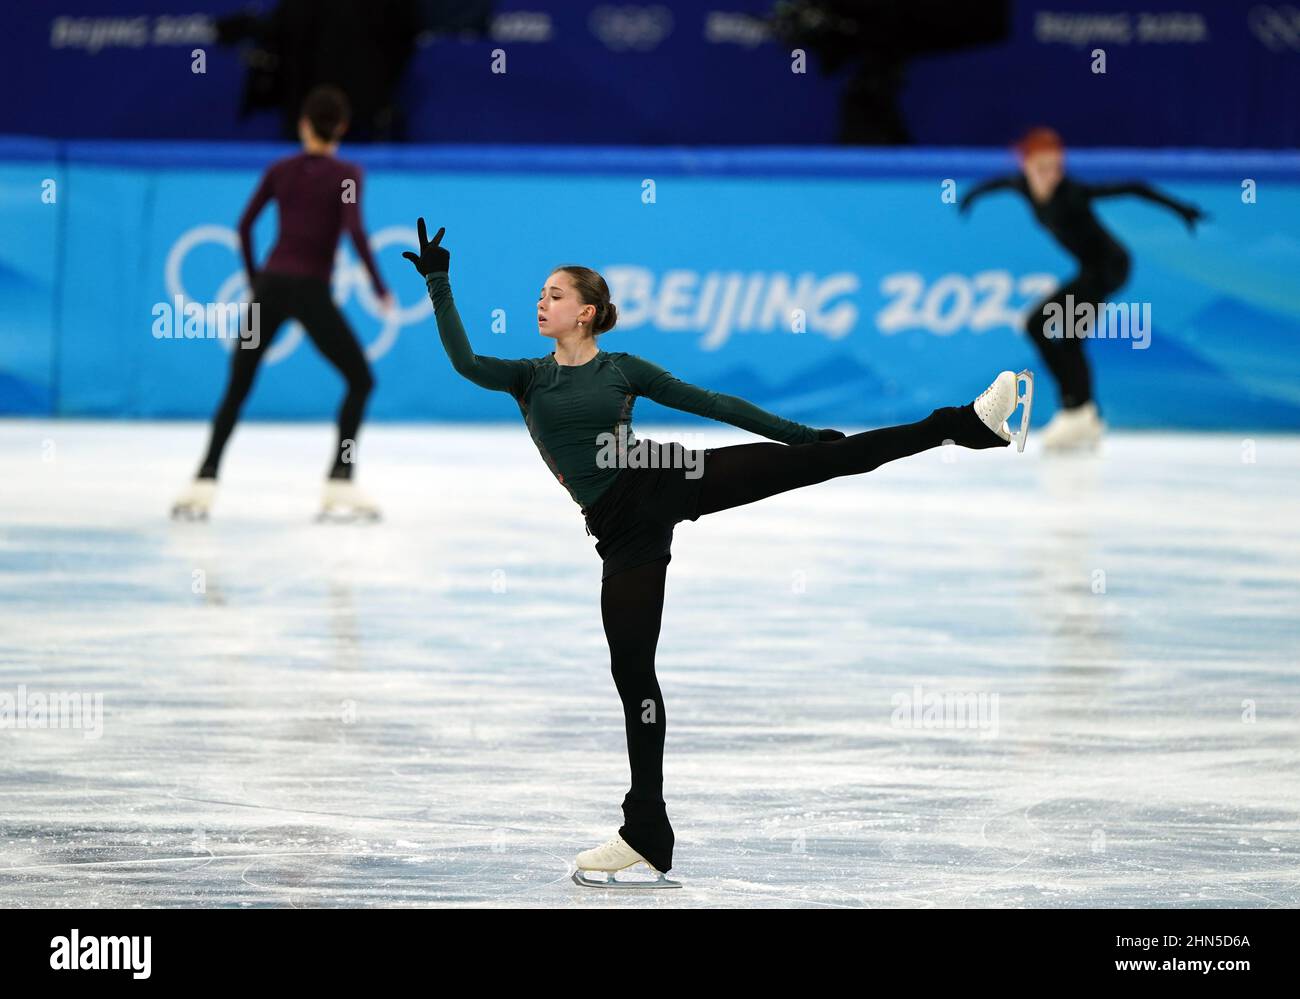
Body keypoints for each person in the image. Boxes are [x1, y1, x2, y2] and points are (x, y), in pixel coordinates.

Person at [403, 219, 1032, 887]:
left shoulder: (623, 369)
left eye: (554, 295)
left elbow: (710, 402)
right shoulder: (527, 377)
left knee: (832, 459)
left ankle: (966, 424)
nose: (541, 302)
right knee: (632, 674)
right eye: (541, 293)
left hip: (663, 477)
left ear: (586, 312)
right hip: (621, 532)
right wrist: (439, 281)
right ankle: (646, 830)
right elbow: (465, 362)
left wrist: (795, 437)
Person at [172, 85, 390, 521]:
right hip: (311, 292)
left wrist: (256, 282)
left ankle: (203, 481)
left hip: (270, 287)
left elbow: (244, 226)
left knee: (237, 387)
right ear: (342, 127)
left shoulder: (280, 170)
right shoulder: (348, 175)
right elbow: (354, 231)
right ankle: (339, 479)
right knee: (360, 381)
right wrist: (379, 286)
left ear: (303, 125)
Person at [960, 126, 1205, 450]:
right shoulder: (1020, 185)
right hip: (1091, 270)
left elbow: (1134, 187)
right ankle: (1082, 413)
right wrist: (969, 196)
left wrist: (1181, 209)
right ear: (1028, 167)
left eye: (1056, 167)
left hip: (1111, 268)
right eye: (1042, 168)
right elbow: (995, 184)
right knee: (1058, 335)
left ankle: (1077, 410)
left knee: (1047, 328)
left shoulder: (1072, 193)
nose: (1050, 175)